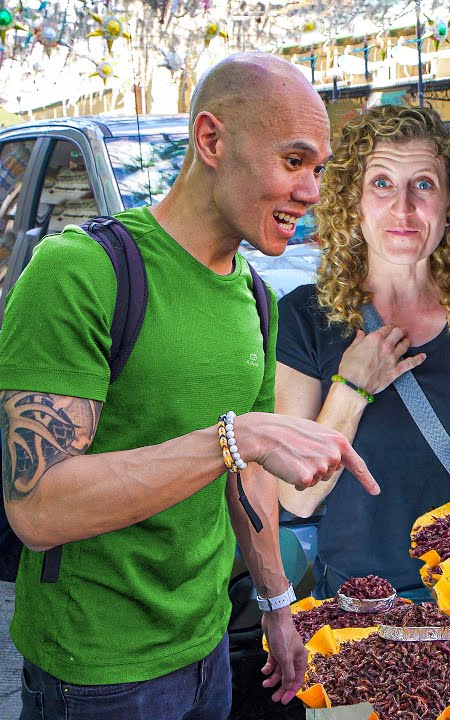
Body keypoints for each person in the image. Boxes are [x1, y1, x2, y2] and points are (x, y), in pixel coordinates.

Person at [0, 53, 378, 718]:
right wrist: (235, 438)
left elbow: (250, 478)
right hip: (98, 675)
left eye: (318, 170)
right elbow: (39, 510)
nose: (313, 192)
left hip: (209, 655)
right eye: (293, 162)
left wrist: (276, 605)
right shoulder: (81, 274)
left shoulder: (255, 299)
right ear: (212, 141)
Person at [273, 104, 450, 599]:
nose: (402, 209)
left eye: (423, 184)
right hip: (363, 605)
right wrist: (350, 390)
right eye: (380, 184)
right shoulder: (305, 318)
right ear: (352, 200)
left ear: (449, 204)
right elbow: (298, 496)